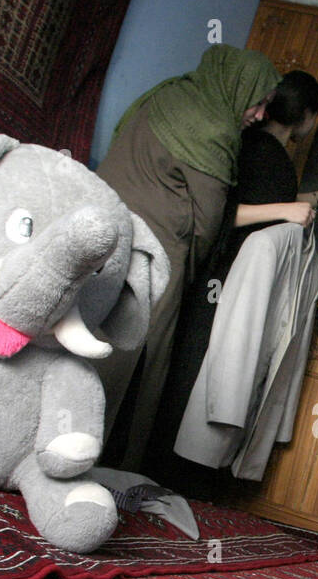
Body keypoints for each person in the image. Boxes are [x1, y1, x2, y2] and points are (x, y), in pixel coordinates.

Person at [140, 70, 318, 497]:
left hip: (217, 275)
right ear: (306, 116)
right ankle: (172, 477)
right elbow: (226, 214)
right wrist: (289, 208)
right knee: (200, 373)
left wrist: (307, 201)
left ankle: (165, 475)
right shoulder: (263, 155)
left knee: (201, 371)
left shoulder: (253, 149)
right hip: (223, 277)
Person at [95, 44, 281, 472]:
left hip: (99, 226)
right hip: (154, 254)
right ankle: (109, 468)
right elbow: (207, 226)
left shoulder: (166, 93)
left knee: (84, 337)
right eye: (258, 101)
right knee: (139, 365)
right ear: (236, 86)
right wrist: (188, 277)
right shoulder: (215, 129)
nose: (259, 115)